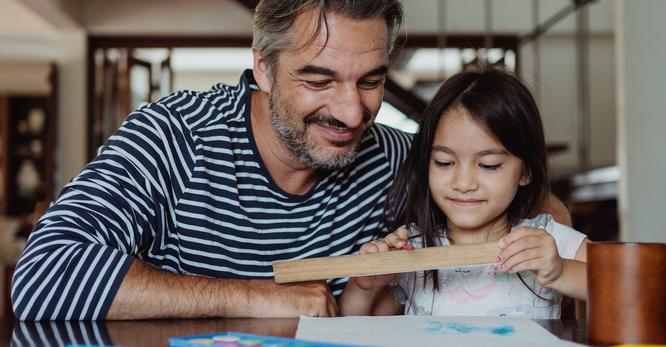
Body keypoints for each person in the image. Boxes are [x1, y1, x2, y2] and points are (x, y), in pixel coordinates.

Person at [10, 1, 568, 321]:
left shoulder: (398, 157)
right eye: (318, 80)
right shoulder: (173, 135)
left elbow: (533, 200)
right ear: (263, 67)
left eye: (371, 81)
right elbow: (42, 277)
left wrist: (549, 243)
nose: (352, 112)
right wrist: (258, 297)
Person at [339, 68, 588, 319]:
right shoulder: (413, 248)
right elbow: (359, 326)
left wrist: (560, 271)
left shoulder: (545, 240)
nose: (464, 182)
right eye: (444, 162)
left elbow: (624, 284)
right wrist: (364, 287)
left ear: (525, 171)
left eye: (488, 165)